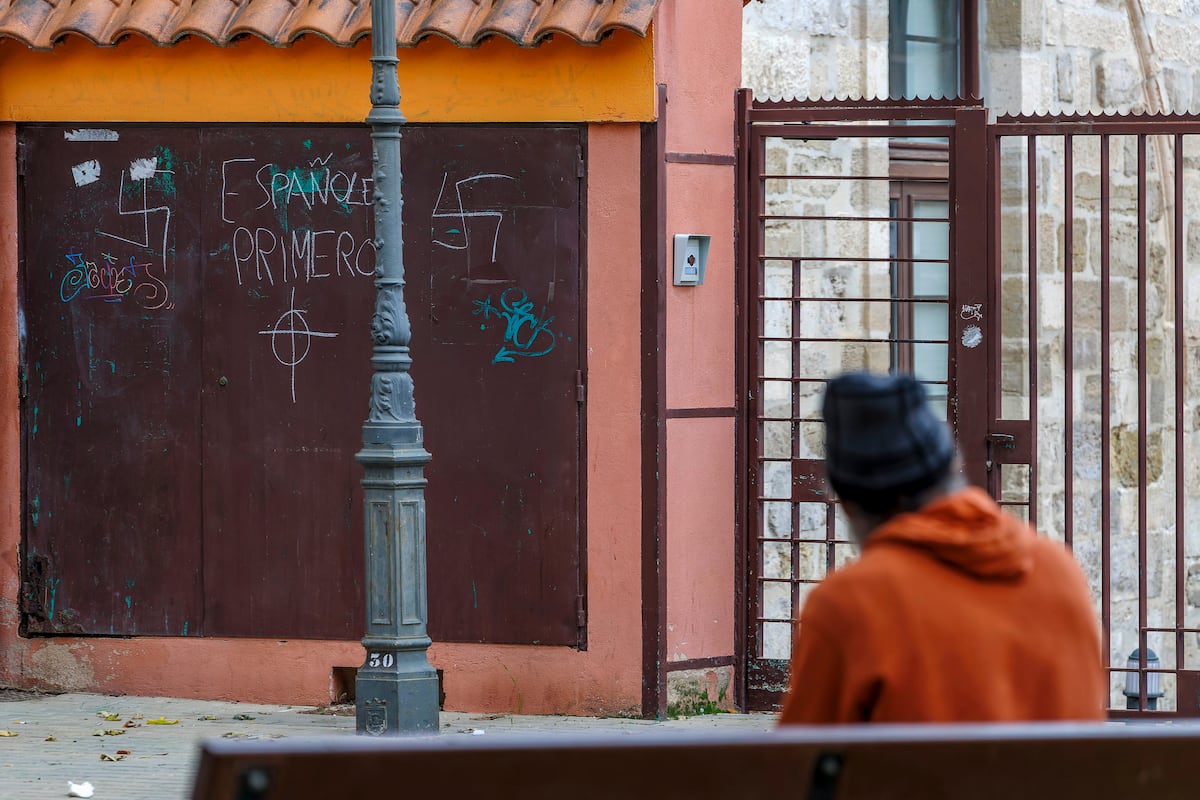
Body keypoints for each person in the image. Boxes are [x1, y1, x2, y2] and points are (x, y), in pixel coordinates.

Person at [778, 371, 1106, 724]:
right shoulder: (1058, 569)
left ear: (846, 503)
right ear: (953, 466)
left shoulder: (848, 603)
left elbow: (803, 755)